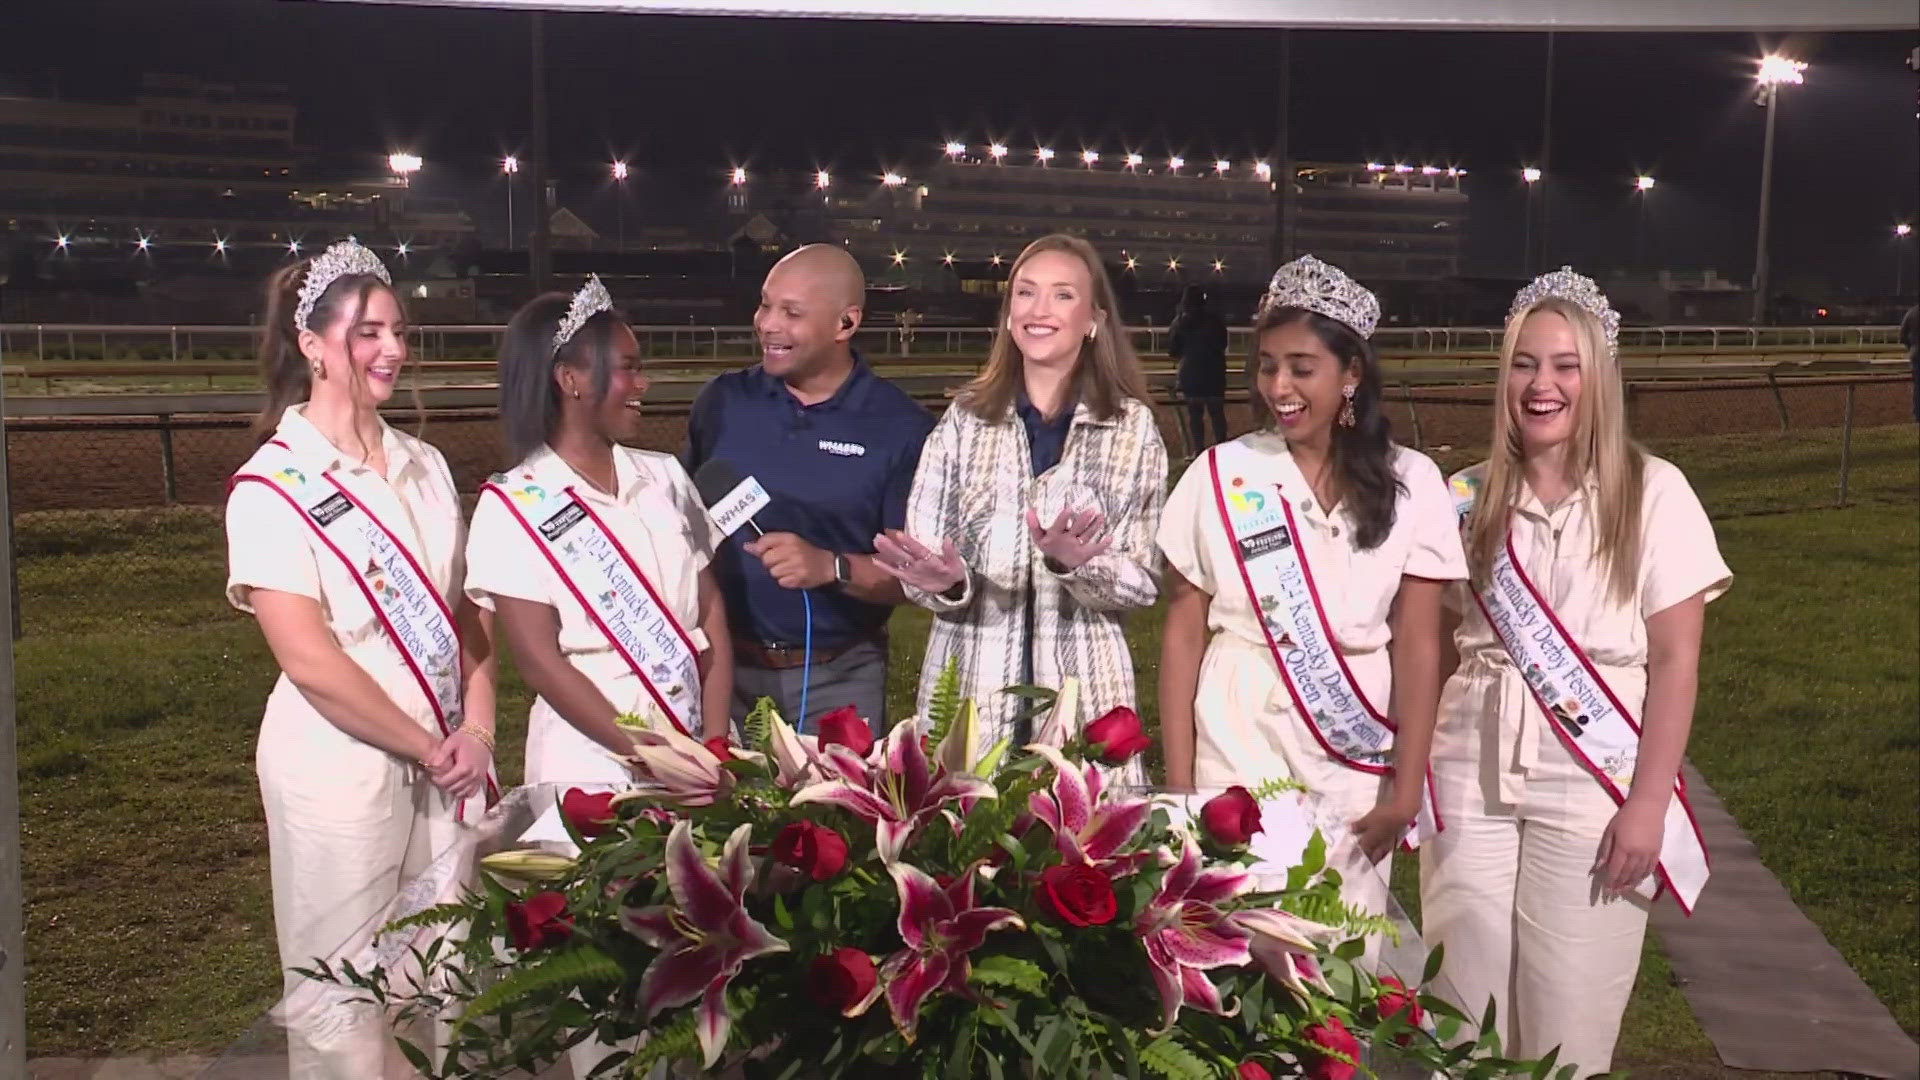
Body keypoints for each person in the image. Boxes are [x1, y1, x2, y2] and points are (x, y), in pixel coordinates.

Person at [1420, 268, 1731, 1073]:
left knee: (1568, 1020)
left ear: (1599, 377)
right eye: (1525, 363)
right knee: (1460, 1008)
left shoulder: (1656, 494)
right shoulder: (1464, 497)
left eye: (1565, 365)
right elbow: (1423, 642)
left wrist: (1649, 804)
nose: (1542, 384)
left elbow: (1677, 660)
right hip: (1466, 767)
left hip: (1593, 776)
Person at [226, 240, 496, 1078]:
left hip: (448, 760)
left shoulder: (426, 465)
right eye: (369, 331)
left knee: (445, 975)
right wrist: (429, 747)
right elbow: (308, 659)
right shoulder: (273, 486)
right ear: (312, 342)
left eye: (400, 330)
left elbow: (464, 617)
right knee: (341, 990)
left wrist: (478, 732)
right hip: (338, 766)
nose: (394, 350)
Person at [1156, 254, 1465, 920]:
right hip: (1234, 731)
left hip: (1349, 755)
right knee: (1231, 945)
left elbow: (1418, 645)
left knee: (1340, 964)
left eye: (1302, 367)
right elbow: (1182, 635)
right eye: (1268, 365)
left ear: (1351, 373)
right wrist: (1179, 793)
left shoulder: (1413, 481)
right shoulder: (1219, 475)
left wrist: (1405, 793)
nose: (1279, 386)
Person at [874, 234, 1166, 767]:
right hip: (969, 699)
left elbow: (1144, 582)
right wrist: (945, 582)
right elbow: (926, 557)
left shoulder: (1132, 429)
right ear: (1009, 318)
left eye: (1062, 295)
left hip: (1088, 708)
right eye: (1025, 294)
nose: (1039, 310)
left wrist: (1080, 565)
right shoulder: (963, 422)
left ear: (1094, 319)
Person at [466, 276, 732, 798]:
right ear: (571, 380)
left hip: (698, 744)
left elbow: (711, 613)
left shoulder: (666, 479)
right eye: (628, 368)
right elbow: (540, 661)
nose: (642, 384)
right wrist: (651, 758)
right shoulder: (513, 506)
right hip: (590, 764)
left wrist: (716, 747)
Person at [683, 245, 935, 733]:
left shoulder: (902, 428)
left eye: (791, 313)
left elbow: (916, 578)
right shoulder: (722, 402)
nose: (767, 324)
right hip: (719, 670)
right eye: (765, 304)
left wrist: (830, 566)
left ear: (846, 324)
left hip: (837, 681)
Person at [1168, 283, 1230, 456]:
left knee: (1195, 416)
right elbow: (1223, 343)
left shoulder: (1179, 322)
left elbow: (1173, 350)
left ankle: (1198, 451)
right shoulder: (1215, 321)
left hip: (1191, 375)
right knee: (1217, 415)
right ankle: (1222, 450)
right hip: (1214, 374)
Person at [1901, 303, 1918, 423]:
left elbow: (1902, 337)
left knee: (1918, 386)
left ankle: (1917, 414)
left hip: (1916, 355)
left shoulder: (1911, 312)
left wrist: (1912, 348)